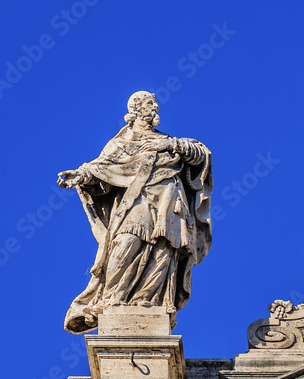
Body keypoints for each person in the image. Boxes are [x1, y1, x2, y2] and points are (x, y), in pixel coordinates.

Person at [57, 91, 212, 333]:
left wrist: (172, 144)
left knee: (164, 250)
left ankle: (150, 303)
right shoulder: (121, 143)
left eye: (155, 103)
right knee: (125, 243)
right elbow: (103, 168)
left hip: (170, 204)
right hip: (137, 202)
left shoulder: (170, 141)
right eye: (150, 103)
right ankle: (110, 301)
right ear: (136, 109)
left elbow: (202, 155)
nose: (156, 107)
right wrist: (81, 175)